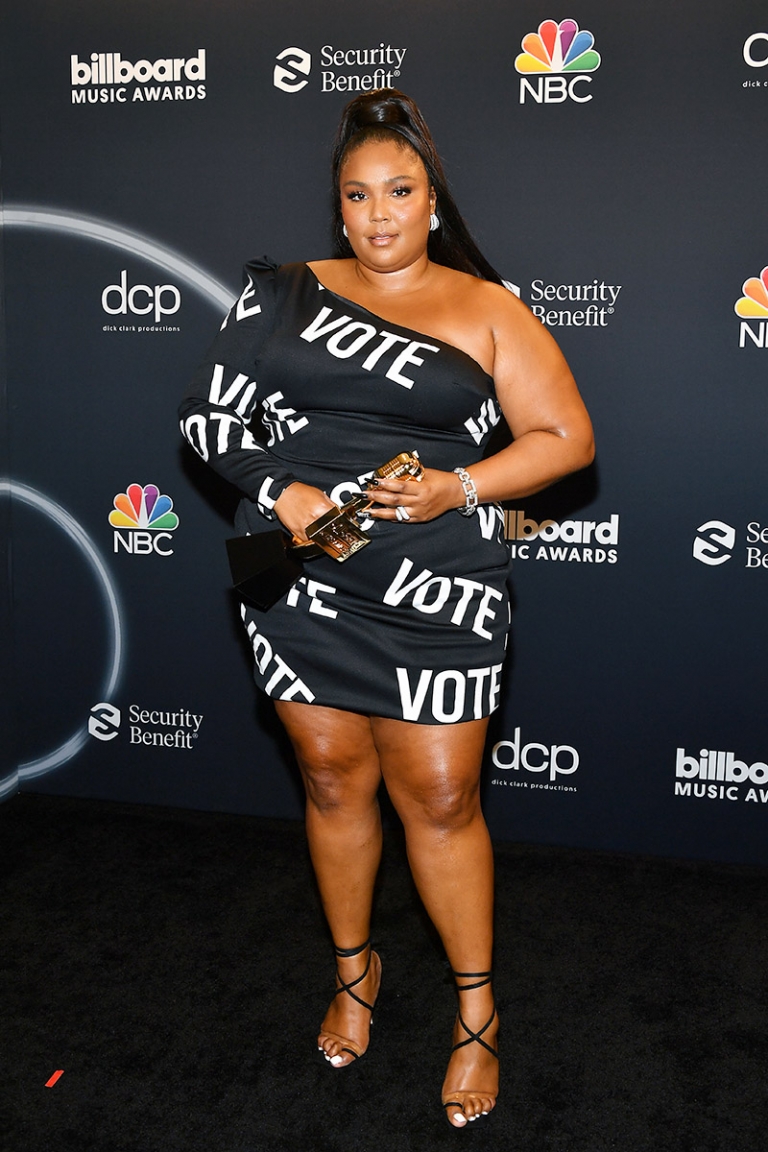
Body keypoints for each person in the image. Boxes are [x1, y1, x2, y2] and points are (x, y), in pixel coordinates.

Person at [179, 88, 594, 1127]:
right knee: (326, 776)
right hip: (302, 574)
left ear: (431, 200)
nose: (377, 214)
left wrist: (462, 486)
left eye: (400, 191)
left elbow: (565, 440)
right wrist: (285, 492)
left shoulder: (487, 308)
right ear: (338, 203)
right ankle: (355, 977)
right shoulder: (281, 291)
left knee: (446, 798)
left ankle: (476, 1017)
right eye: (357, 194)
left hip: (439, 583)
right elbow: (205, 416)